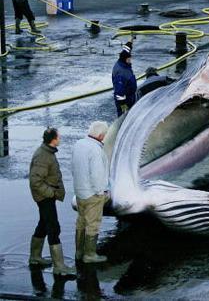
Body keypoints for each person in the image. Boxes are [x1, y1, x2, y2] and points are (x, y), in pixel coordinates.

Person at [29, 127, 76, 277]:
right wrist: (51, 193)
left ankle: (35, 258)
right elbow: (35, 181)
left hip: (46, 196)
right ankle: (59, 267)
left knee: (43, 224)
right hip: (44, 197)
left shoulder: (47, 152)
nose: (60, 139)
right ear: (53, 139)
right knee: (53, 228)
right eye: (59, 137)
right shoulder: (43, 156)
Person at [72, 121, 110, 264]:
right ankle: (90, 255)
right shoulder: (96, 150)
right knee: (93, 223)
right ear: (100, 136)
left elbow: (73, 167)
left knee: (81, 221)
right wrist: (101, 192)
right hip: (92, 194)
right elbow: (97, 175)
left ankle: (79, 252)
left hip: (80, 192)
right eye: (104, 135)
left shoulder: (79, 145)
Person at [112, 41, 137, 116]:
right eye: (129, 59)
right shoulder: (121, 73)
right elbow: (119, 92)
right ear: (125, 59)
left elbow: (125, 51)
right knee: (123, 119)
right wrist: (123, 106)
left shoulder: (122, 61)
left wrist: (129, 44)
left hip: (130, 96)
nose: (130, 60)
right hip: (126, 100)